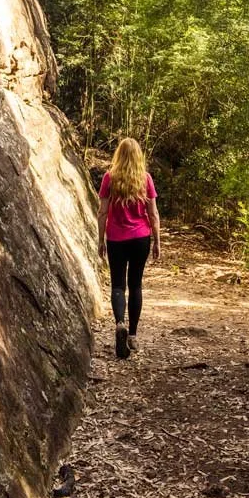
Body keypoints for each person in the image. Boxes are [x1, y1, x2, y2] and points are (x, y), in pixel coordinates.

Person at [97, 137, 161, 359]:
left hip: (116, 238)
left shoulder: (109, 178)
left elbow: (102, 212)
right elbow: (152, 213)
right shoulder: (145, 179)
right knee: (135, 285)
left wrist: (99, 240)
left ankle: (119, 323)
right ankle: (132, 335)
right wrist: (157, 241)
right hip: (140, 238)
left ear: (118, 155)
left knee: (117, 285)